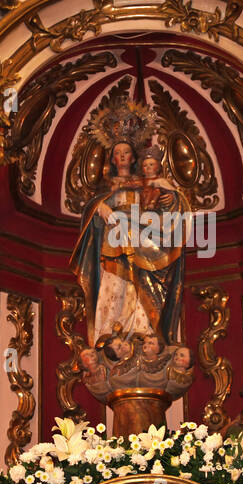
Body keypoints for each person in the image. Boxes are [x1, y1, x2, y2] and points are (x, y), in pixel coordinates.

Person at [71, 140, 188, 347]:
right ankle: (110, 332)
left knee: (140, 282)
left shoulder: (146, 182)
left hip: (141, 238)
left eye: (126, 152)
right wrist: (100, 207)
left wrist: (168, 200)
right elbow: (92, 209)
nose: (123, 156)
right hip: (114, 238)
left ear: (134, 157)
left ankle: (142, 331)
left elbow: (165, 203)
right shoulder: (106, 185)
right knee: (115, 283)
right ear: (113, 159)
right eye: (118, 152)